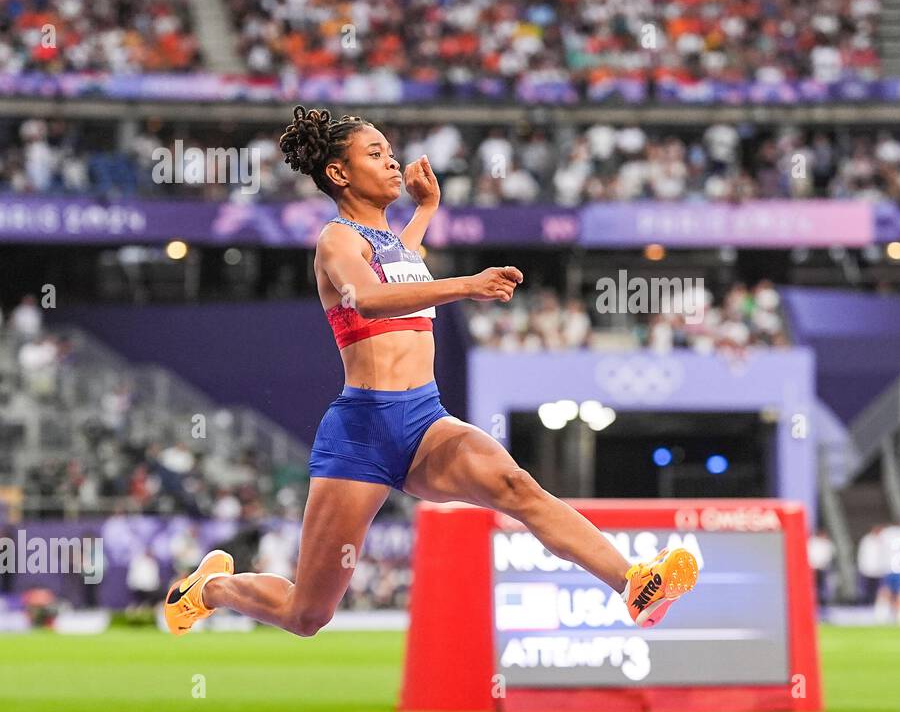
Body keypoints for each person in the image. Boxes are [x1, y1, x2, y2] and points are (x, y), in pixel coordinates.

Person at [164, 107, 697, 637]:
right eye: (376, 154)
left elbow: (401, 260)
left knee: (516, 486)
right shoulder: (336, 240)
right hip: (362, 433)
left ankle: (632, 584)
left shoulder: (389, 242)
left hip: (424, 421)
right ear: (339, 173)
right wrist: (467, 285)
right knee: (307, 614)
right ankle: (211, 589)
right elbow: (369, 298)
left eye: (391, 153)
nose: (393, 163)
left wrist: (427, 207)